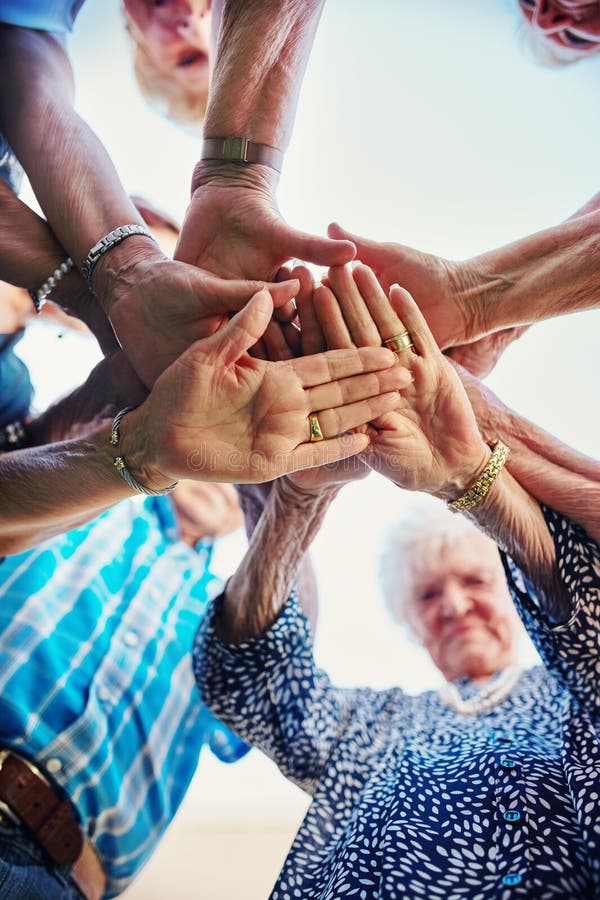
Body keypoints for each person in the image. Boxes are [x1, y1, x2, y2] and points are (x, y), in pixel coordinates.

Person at [194, 266, 600, 898]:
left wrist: (475, 479)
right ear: (410, 621)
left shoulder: (575, 695)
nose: (456, 606)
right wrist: (297, 496)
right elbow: (250, 679)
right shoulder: (372, 722)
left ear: (511, 592)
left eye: (472, 580)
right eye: (429, 594)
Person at [0, 479, 250, 900]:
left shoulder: (228, 621)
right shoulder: (80, 497)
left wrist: (285, 509)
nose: (228, 481)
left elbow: (266, 719)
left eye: (254, 484)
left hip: (54, 880)